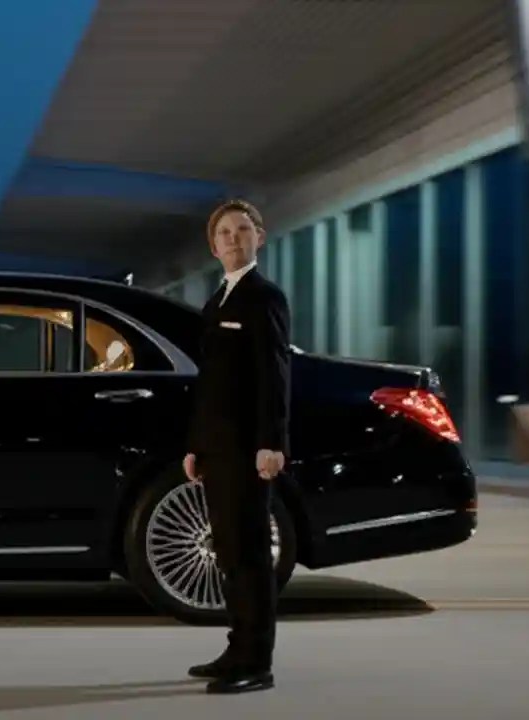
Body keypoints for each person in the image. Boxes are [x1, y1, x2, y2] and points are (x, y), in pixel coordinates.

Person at [182, 198, 291, 694]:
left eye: (242, 229)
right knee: (228, 552)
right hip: (219, 448)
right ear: (213, 246)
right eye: (224, 232)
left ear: (259, 238)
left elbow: (274, 373)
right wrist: (196, 446)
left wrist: (272, 442)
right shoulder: (218, 301)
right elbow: (211, 384)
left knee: (249, 555)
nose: (233, 238)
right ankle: (236, 648)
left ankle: (257, 662)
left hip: (250, 449)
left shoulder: (264, 297)